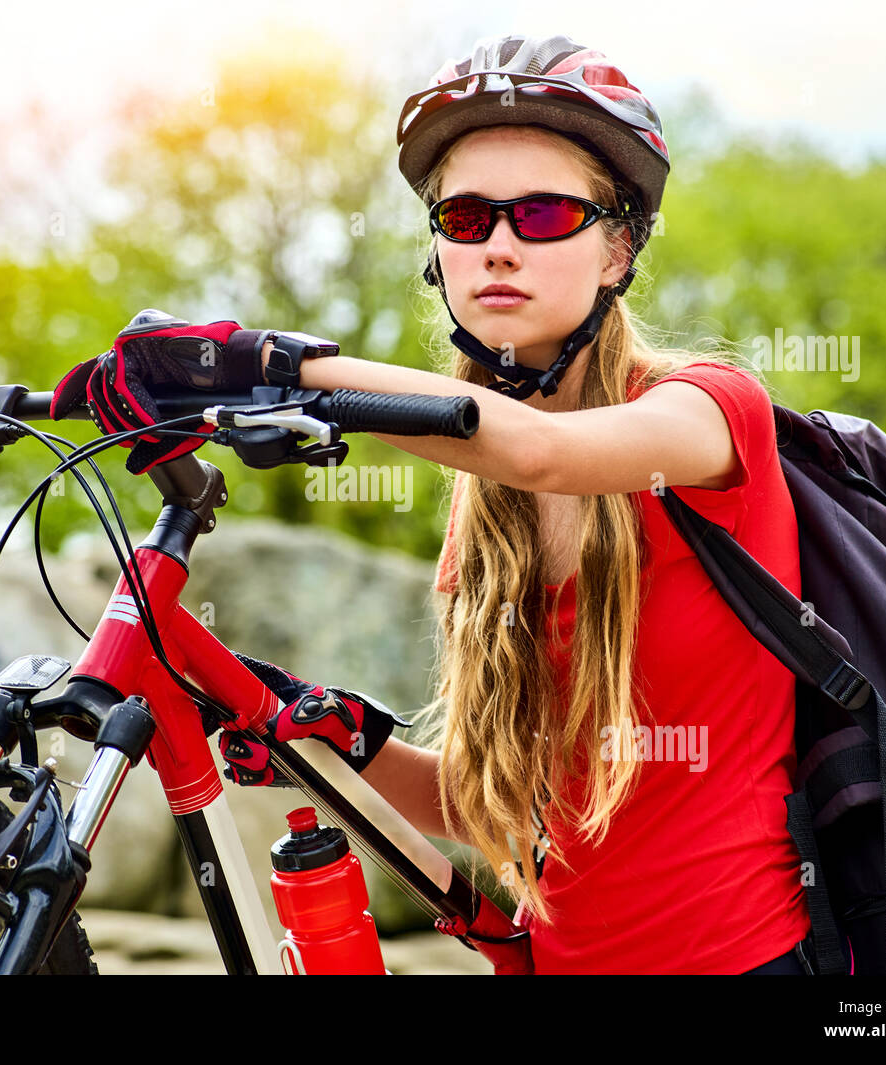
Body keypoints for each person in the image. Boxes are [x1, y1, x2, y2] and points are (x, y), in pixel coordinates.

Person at [54, 33, 819, 975]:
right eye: (465, 216)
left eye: (542, 214)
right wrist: (337, 729)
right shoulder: (482, 508)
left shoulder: (708, 413)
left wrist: (258, 363)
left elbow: (544, 449)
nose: (498, 244)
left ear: (619, 248)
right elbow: (485, 805)